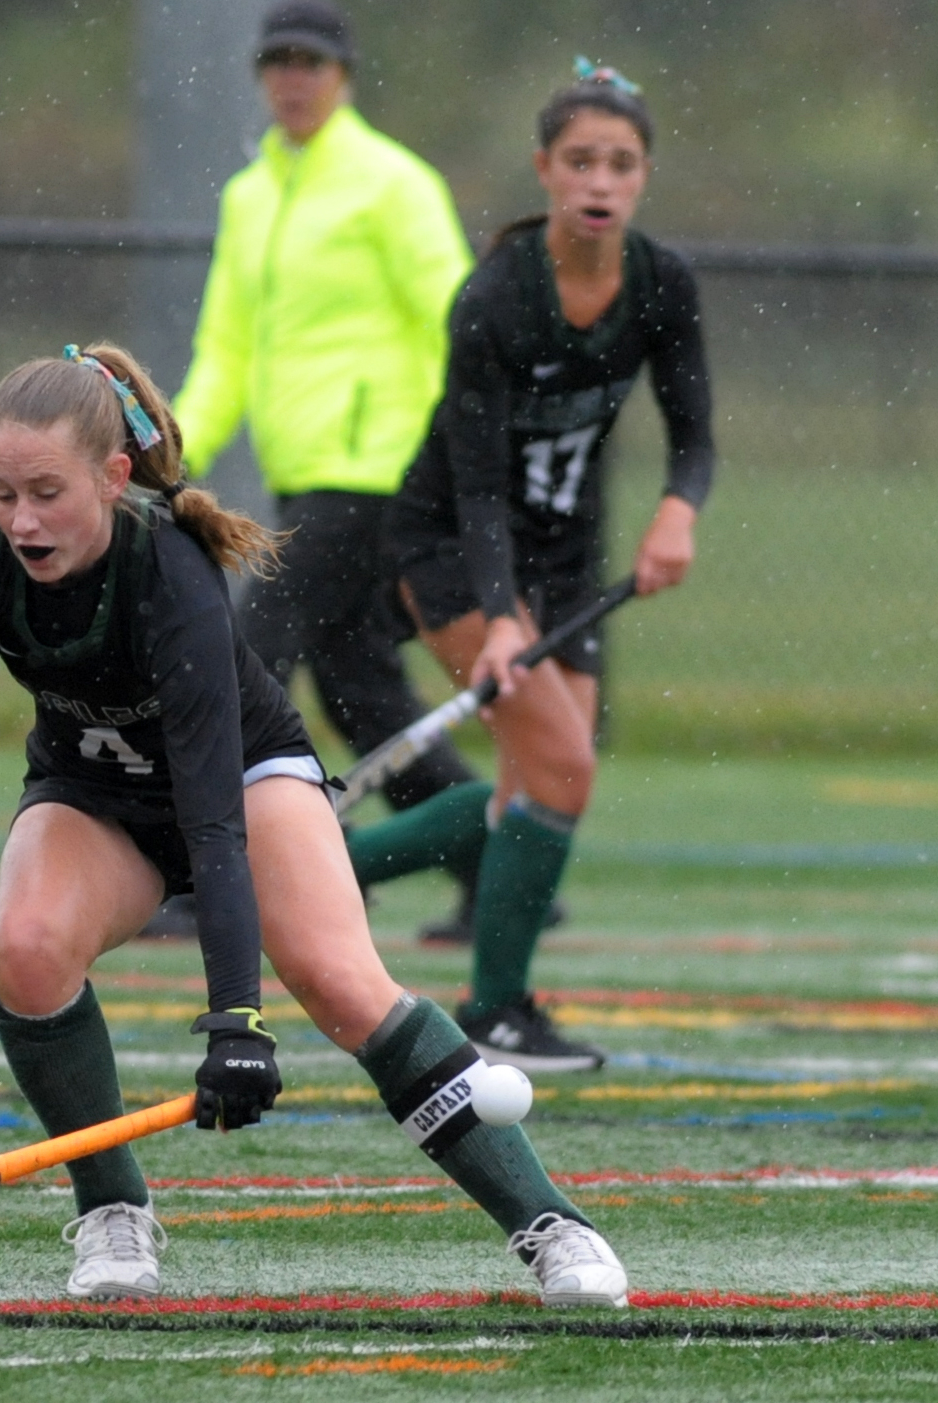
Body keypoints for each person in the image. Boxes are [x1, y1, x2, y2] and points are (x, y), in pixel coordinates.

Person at [0, 343, 628, 1308]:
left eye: (46, 491)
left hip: (244, 780)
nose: (20, 519)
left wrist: (238, 1024)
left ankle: (552, 1224)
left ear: (114, 476)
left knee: (343, 984)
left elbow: (213, 817)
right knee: (30, 946)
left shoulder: (170, 568)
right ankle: (112, 1211)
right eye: (1, 492)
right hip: (94, 793)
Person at [355, 61, 714, 1072]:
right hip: (451, 546)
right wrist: (501, 616)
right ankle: (496, 1007)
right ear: (544, 170)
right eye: (579, 161)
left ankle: (306, 873)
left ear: (643, 175)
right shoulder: (493, 301)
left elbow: (694, 436)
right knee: (562, 765)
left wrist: (677, 511)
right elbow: (474, 486)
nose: (599, 182)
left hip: (566, 554)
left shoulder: (660, 283)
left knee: (533, 788)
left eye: (621, 163)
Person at [171, 0, 487, 944]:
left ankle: (218, 876)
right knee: (363, 696)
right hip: (305, 479)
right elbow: (224, 348)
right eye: (279, 62)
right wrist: (164, 451)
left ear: (344, 73)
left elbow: (459, 326)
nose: (294, 80)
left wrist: (454, 466)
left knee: (242, 656)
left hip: (379, 476)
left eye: (311, 62)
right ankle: (494, 859)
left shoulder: (394, 184)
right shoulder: (250, 196)